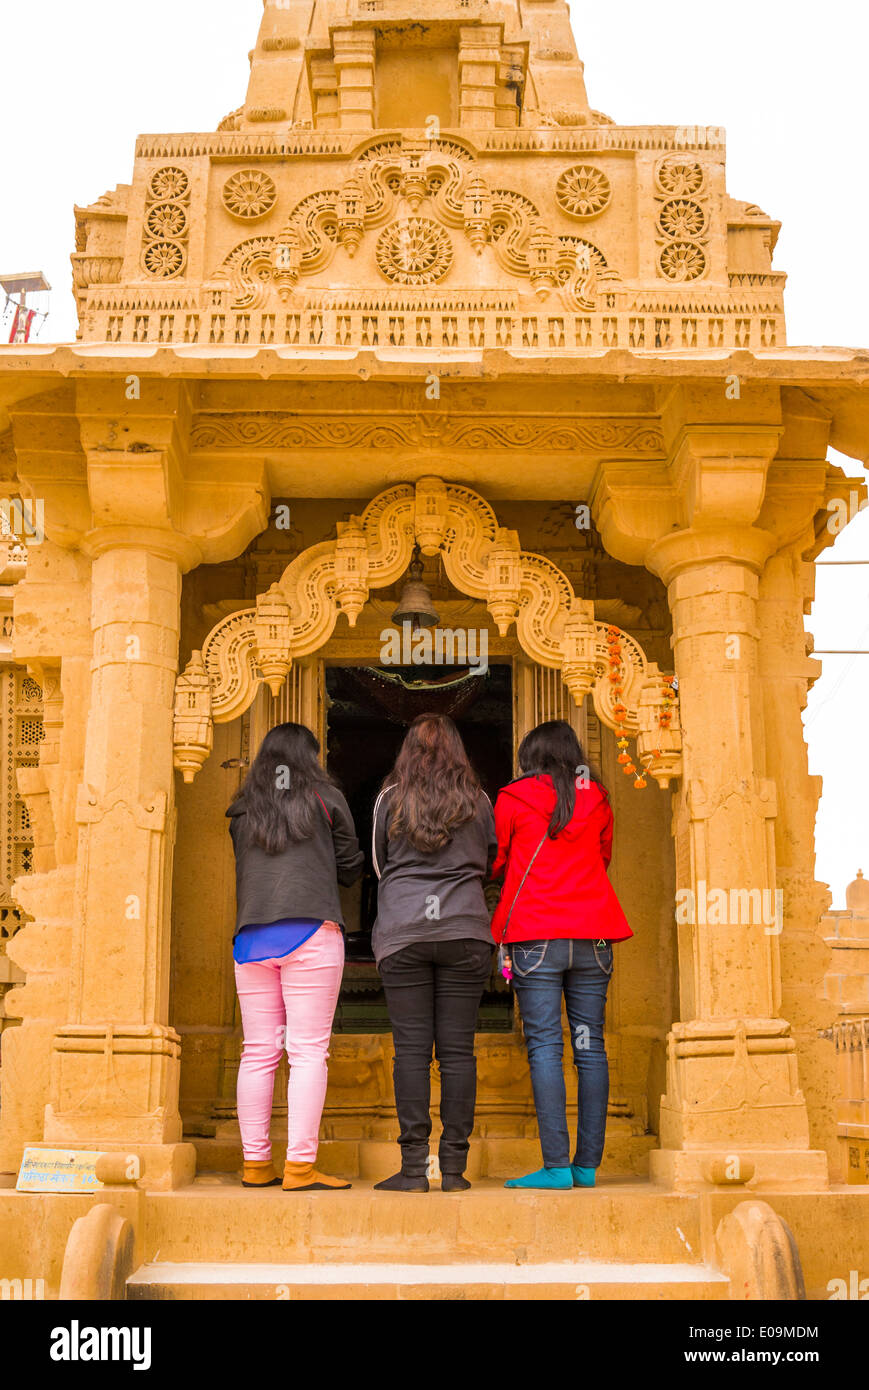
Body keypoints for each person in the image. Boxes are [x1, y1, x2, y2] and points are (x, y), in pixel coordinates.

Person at [490, 719, 632, 1191]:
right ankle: (587, 1166)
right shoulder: (599, 798)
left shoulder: (513, 798)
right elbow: (603, 857)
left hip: (535, 939)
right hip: (594, 938)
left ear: (531, 759)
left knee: (546, 1048)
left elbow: (498, 860)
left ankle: (555, 1166)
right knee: (590, 1049)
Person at [226, 722, 363, 1192]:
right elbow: (351, 866)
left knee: (258, 1052)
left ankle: (255, 1164)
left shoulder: (242, 809)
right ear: (310, 757)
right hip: (310, 931)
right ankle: (300, 1168)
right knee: (307, 1052)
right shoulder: (325, 798)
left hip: (250, 941)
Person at [372, 713, 496, 1193]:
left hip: (404, 931)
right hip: (464, 928)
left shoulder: (390, 796)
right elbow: (487, 858)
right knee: (458, 1052)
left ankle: (411, 1169)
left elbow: (381, 865)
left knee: (411, 1052)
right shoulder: (478, 798)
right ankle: (455, 1171)